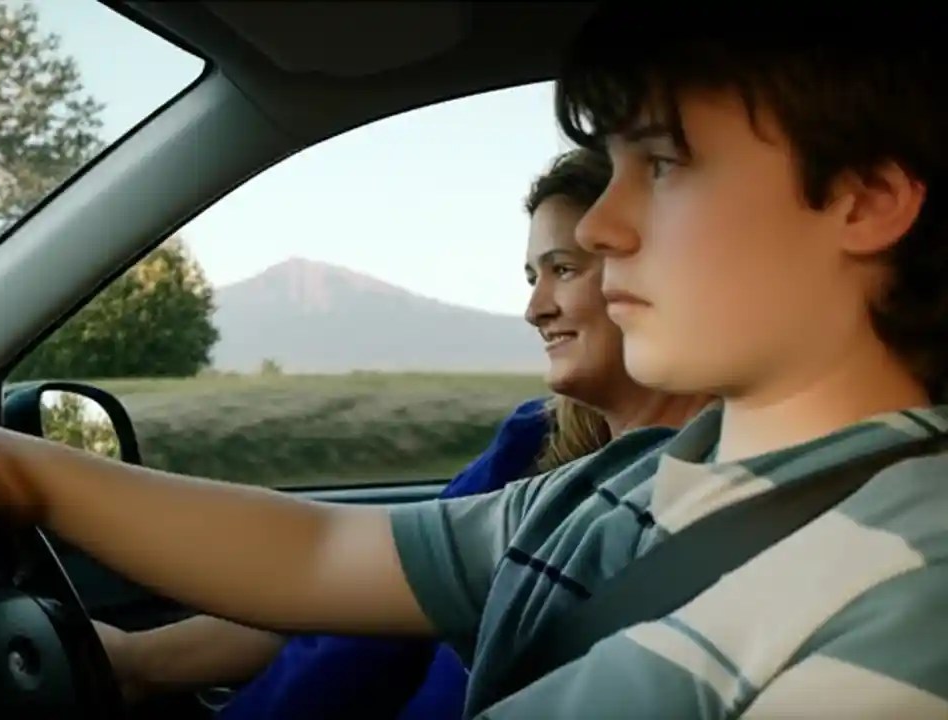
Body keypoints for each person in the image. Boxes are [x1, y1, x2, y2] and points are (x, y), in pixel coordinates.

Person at [0, 3, 948, 718]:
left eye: (663, 166)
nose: (603, 228)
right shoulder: (618, 487)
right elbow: (323, 548)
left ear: (860, 196)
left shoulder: (914, 599)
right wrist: (18, 470)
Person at [95, 148, 709, 720]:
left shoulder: (717, 501)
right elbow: (347, 589)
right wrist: (141, 662)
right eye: (531, 278)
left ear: (656, 274)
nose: (535, 308)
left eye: (564, 270)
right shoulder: (529, 447)